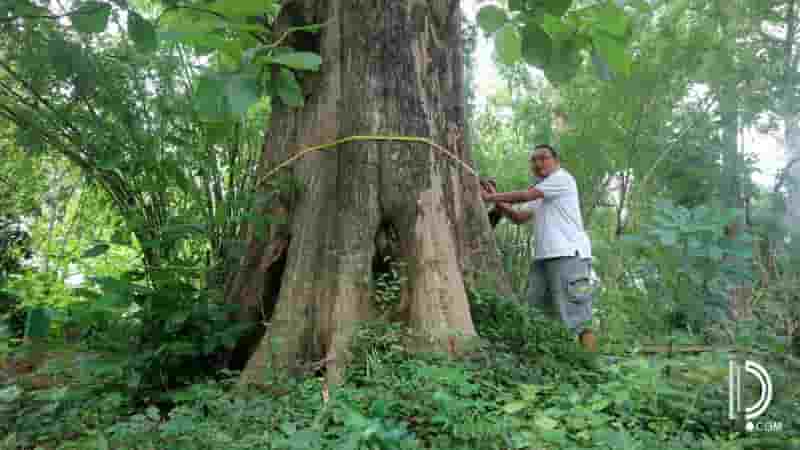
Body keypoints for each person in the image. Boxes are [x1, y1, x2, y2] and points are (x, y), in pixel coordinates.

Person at [480, 144, 597, 352]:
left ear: (556, 161)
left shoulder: (562, 179)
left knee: (578, 315)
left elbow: (525, 195)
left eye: (543, 158)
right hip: (543, 259)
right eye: (533, 160)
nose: (537, 163)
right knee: (533, 312)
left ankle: (592, 367)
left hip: (570, 256)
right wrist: (495, 196)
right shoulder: (543, 192)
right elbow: (517, 216)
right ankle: (543, 361)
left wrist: (490, 197)